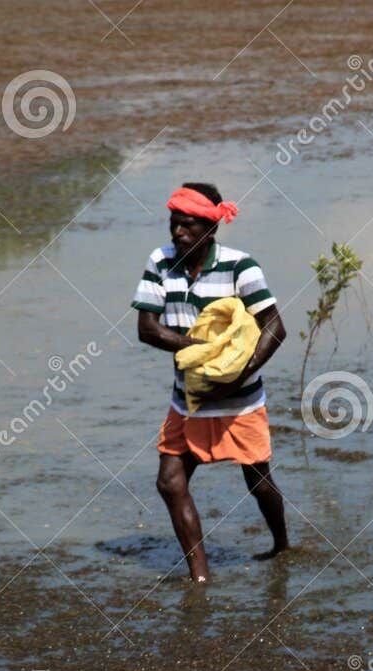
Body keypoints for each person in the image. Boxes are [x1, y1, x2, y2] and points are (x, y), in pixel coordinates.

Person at [132, 182, 288, 582]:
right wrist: (201, 350)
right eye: (174, 224)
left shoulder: (240, 266)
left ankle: (281, 544)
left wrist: (236, 373)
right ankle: (200, 573)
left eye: (188, 226)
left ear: (210, 230)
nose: (178, 233)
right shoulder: (160, 262)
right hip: (188, 399)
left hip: (239, 399)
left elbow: (274, 326)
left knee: (257, 479)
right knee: (169, 482)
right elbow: (147, 329)